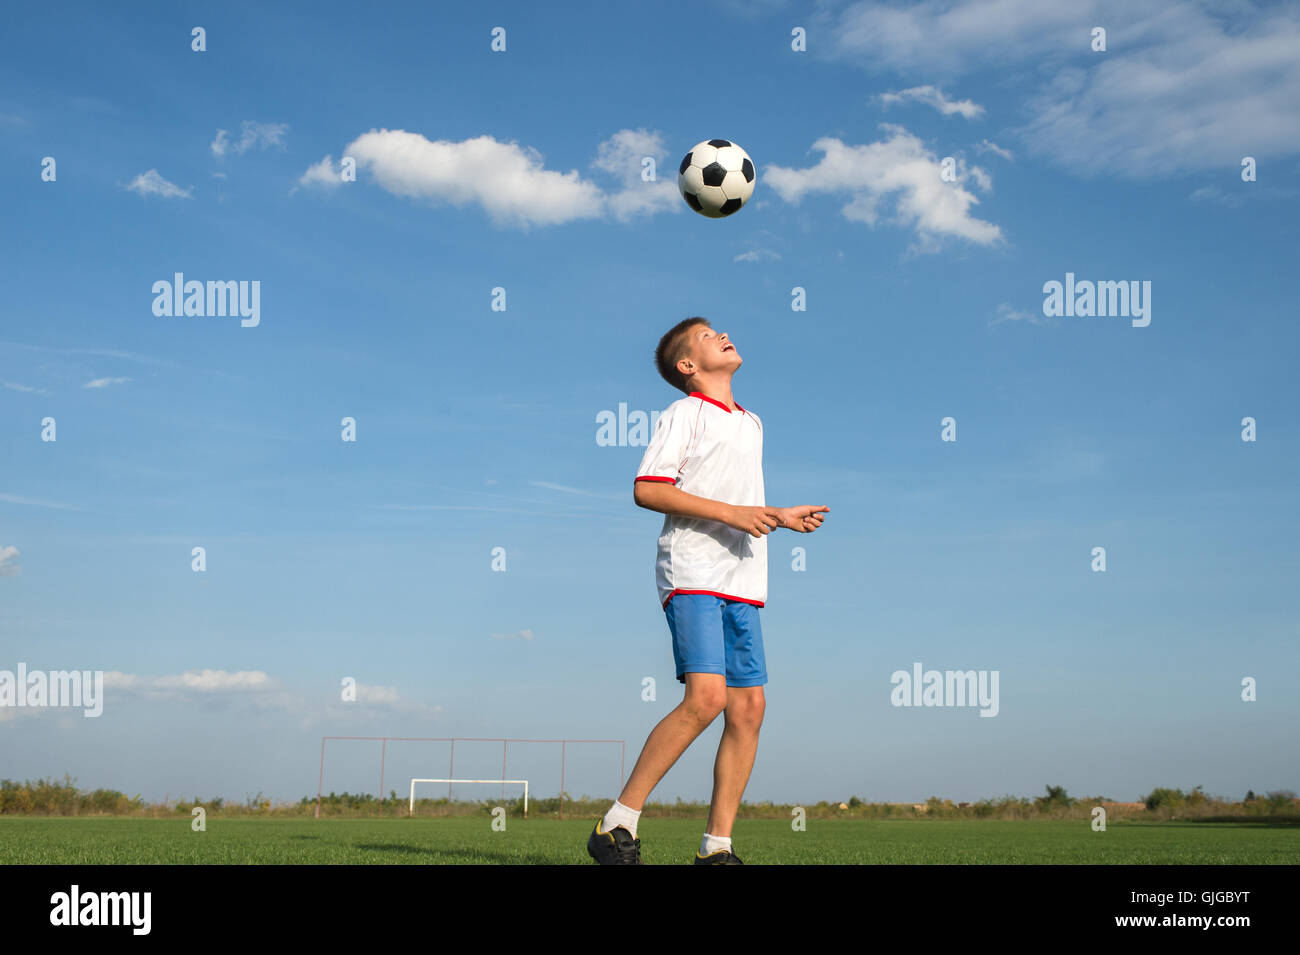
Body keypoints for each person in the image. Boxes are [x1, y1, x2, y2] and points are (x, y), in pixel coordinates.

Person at [587, 316, 828, 865]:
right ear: (687, 366)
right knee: (707, 699)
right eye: (705, 336)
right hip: (693, 570)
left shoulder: (753, 423)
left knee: (748, 709)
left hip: (743, 579)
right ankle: (616, 823)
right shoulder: (685, 412)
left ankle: (716, 849)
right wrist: (735, 514)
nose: (722, 334)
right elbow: (647, 489)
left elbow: (739, 497)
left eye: (719, 328)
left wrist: (778, 517)